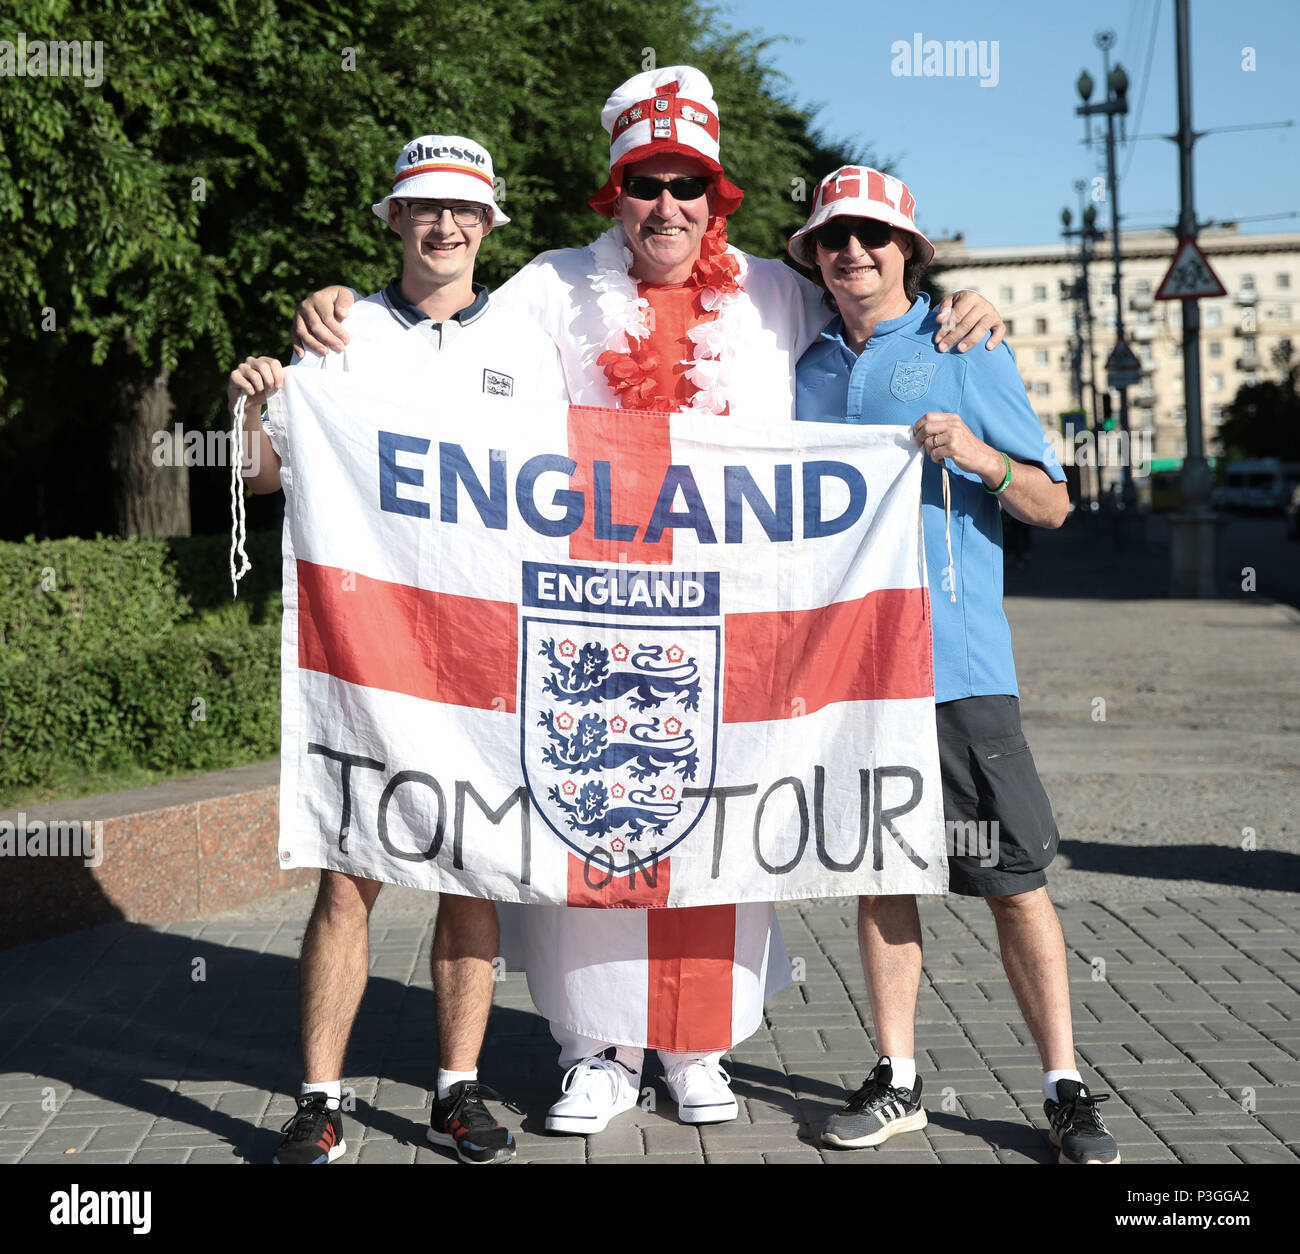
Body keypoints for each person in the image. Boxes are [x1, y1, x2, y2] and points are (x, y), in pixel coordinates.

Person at [291, 67, 1008, 1138]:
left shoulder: (779, 288)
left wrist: (964, 300)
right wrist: (340, 305)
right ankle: (595, 1050)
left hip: (734, 619)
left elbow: (879, 311)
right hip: (588, 609)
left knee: (716, 820)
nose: (664, 205)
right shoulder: (547, 287)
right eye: (643, 183)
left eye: (686, 185)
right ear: (614, 194)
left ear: (716, 196)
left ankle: (695, 1047)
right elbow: (446, 371)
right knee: (590, 814)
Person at [228, 134, 565, 1164]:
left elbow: (562, 497)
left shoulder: (525, 343)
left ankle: (454, 1091)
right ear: (393, 219)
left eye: (464, 212)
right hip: (366, 650)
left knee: (471, 876)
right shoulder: (341, 335)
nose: (445, 226)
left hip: (484, 655)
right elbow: (263, 482)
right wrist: (252, 403)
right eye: (425, 208)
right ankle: (319, 1100)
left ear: (488, 226)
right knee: (347, 877)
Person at [790, 166, 1120, 1165]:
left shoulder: (960, 343)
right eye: (833, 239)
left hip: (958, 669)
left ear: (908, 253)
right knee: (881, 874)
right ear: (813, 256)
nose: (853, 253)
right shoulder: (799, 365)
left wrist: (978, 455)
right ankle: (896, 1080)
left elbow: (1053, 504)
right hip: (851, 672)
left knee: (1013, 879)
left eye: (873, 238)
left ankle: (1064, 1085)